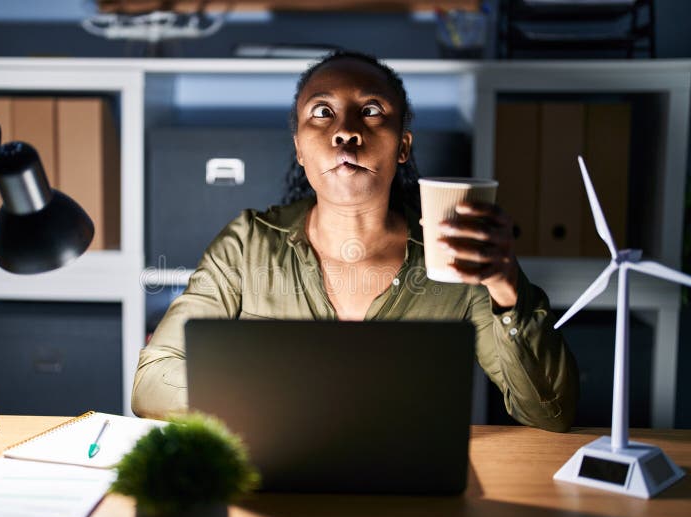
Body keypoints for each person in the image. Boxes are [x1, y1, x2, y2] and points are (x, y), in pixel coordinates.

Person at [132, 50, 579, 432]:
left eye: (371, 110)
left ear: (402, 147)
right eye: (322, 112)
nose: (346, 131)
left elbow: (549, 414)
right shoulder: (247, 244)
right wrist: (279, 398)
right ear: (300, 149)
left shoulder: (457, 253)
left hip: (408, 488)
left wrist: (505, 290)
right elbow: (151, 381)